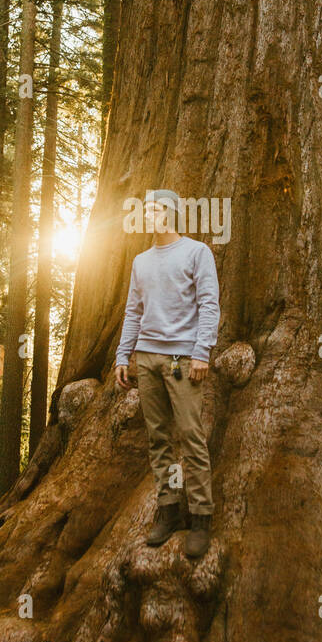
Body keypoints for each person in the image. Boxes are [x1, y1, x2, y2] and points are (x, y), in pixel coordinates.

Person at [115, 189, 220, 557]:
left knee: (191, 437)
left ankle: (201, 517)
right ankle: (168, 510)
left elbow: (209, 303)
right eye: (146, 210)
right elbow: (133, 311)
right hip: (146, 359)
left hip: (182, 360)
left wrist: (202, 351)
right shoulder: (141, 261)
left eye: (156, 209)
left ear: (173, 213)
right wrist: (122, 355)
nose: (149, 215)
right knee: (158, 438)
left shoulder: (196, 252)